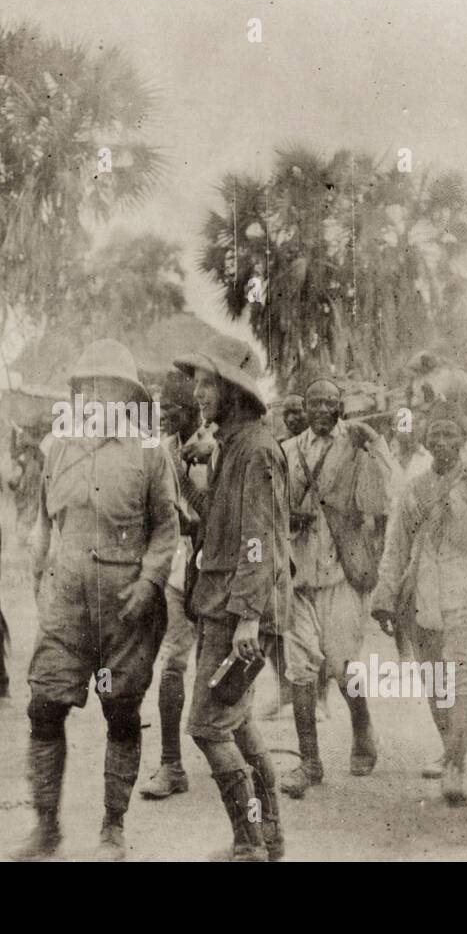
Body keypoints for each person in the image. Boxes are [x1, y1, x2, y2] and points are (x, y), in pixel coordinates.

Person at [13, 340, 177, 861]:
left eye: (109, 387)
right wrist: (40, 574)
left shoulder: (149, 452)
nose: (97, 396)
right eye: (89, 387)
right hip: (66, 602)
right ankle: (46, 826)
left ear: (126, 395)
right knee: (43, 706)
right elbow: (43, 521)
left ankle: (113, 827)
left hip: (126, 606)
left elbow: (167, 529)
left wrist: (149, 584)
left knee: (121, 713)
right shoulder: (58, 447)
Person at [174, 334, 291, 861]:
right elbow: (221, 525)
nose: (197, 393)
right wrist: (197, 472)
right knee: (237, 723)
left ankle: (248, 843)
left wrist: (246, 619)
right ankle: (270, 838)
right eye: (197, 381)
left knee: (206, 726)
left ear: (233, 390)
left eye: (206, 382)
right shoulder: (237, 446)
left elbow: (258, 541)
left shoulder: (256, 451)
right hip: (224, 603)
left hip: (237, 611)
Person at [372, 402, 467, 806]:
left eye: (450, 434)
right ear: (425, 441)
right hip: (424, 594)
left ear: (463, 440)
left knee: (463, 676)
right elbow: (396, 546)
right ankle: (450, 746)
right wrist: (385, 596)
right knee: (435, 682)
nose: (442, 441)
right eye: (435, 434)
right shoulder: (414, 489)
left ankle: (455, 765)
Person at [278, 378, 389, 797]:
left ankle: (361, 726)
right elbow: (273, 506)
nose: (322, 409)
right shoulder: (287, 451)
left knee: (343, 668)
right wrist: (291, 517)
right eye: (314, 402)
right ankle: (310, 761)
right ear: (304, 408)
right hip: (298, 574)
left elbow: (381, 501)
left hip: (342, 572)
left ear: (340, 407)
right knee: (301, 669)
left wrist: (375, 444)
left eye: (329, 402)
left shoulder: (356, 444)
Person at [139, 370, 208, 800]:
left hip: (218, 568)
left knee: (225, 671)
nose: (165, 416)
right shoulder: (160, 452)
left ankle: (241, 764)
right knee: (173, 664)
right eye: (161, 408)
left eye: (174, 409)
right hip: (179, 568)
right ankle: (171, 764)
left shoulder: (215, 448)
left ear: (194, 410)